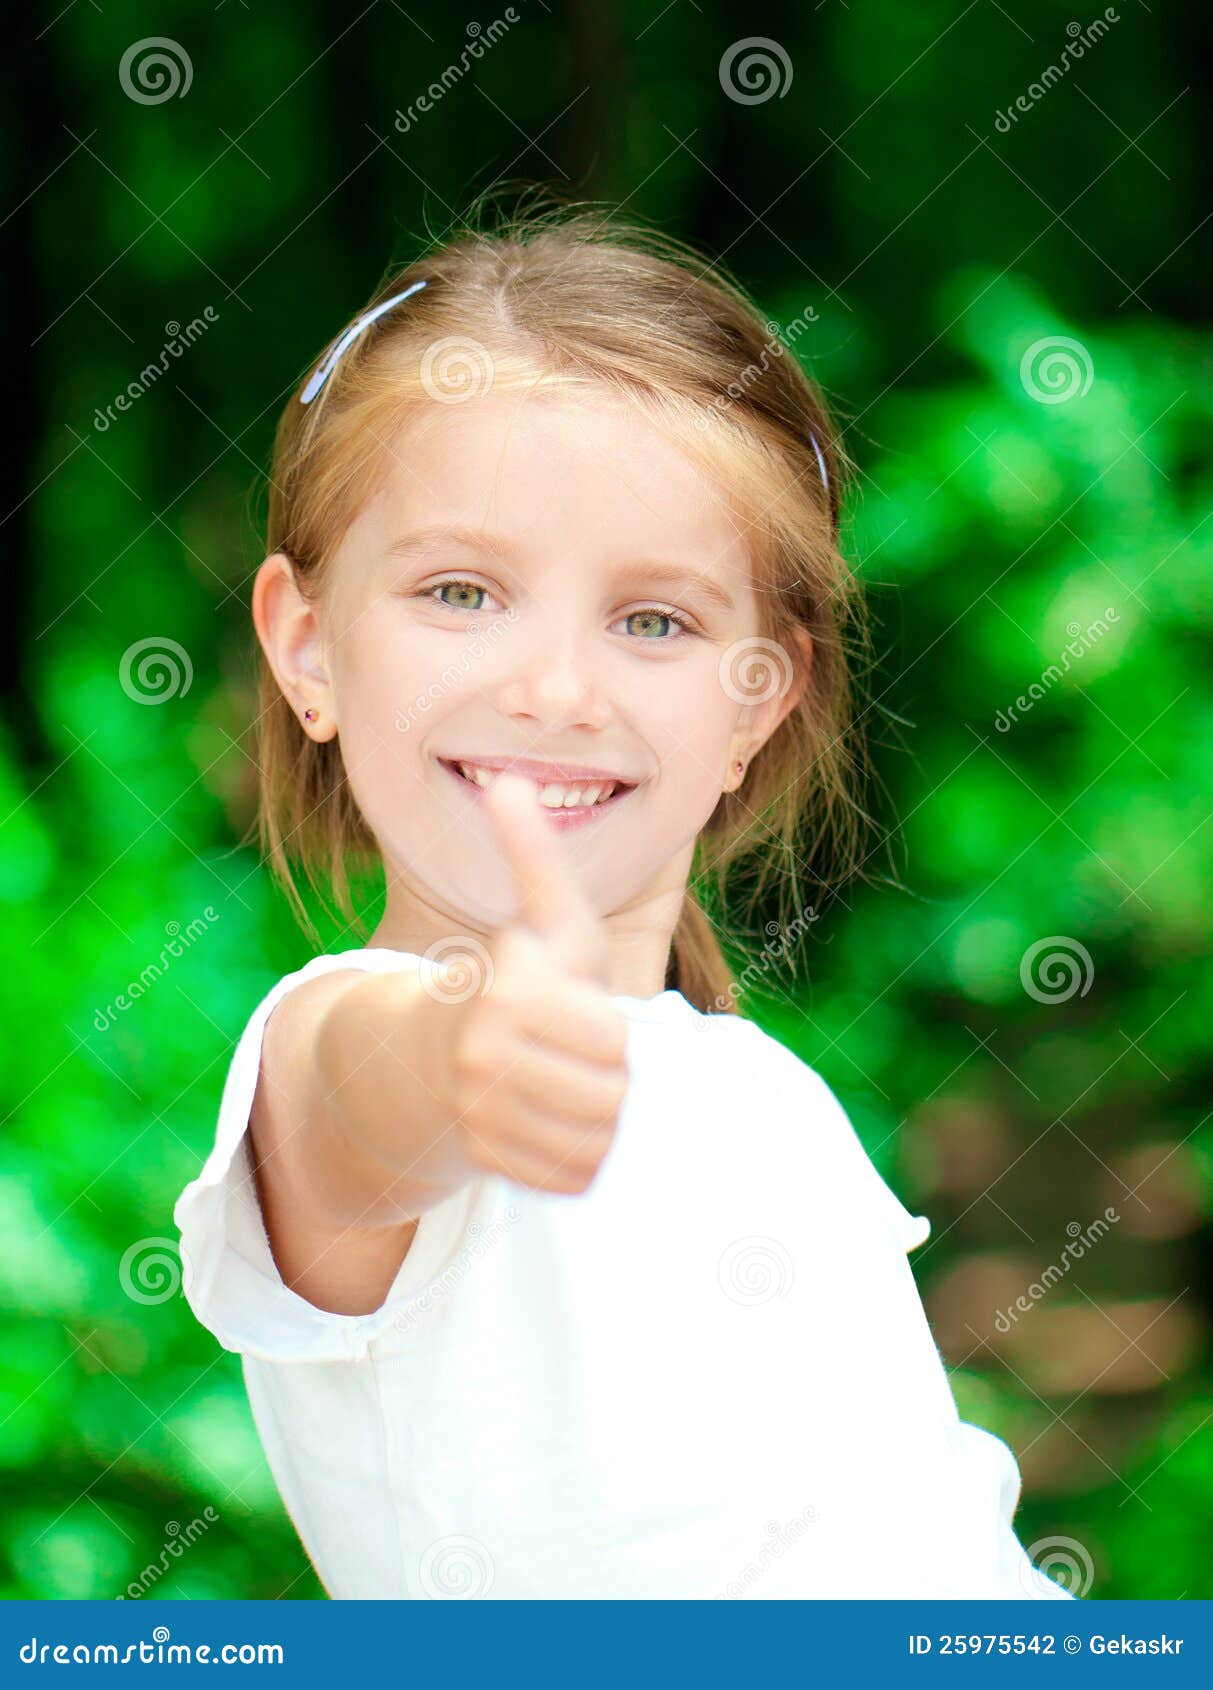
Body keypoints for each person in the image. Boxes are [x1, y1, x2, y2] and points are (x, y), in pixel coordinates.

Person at [173, 202, 1078, 1601]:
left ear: (749, 707)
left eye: (652, 619)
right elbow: (361, 1104)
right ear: (305, 647)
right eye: (462, 590)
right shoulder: (350, 1041)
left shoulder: (754, 1093)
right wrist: (464, 1063)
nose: (555, 687)